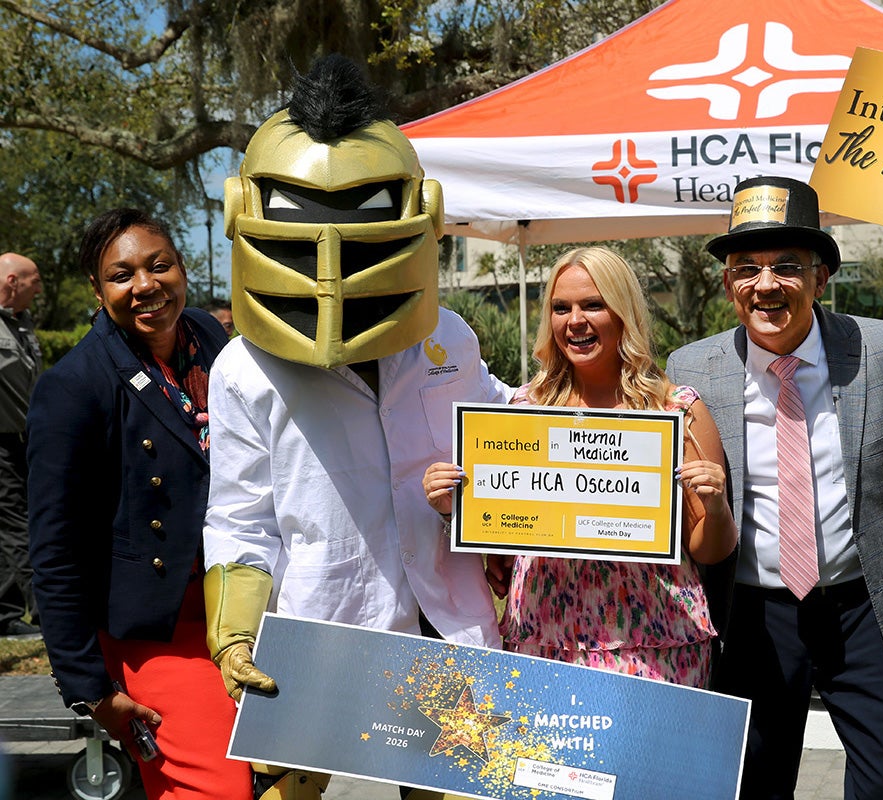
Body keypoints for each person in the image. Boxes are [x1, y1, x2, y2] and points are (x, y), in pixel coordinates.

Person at [201, 55, 506, 800]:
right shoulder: (243, 368)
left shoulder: (450, 338)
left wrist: (632, 417)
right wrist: (233, 632)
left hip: (445, 625)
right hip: (318, 635)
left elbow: (509, 423)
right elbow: (240, 517)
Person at [665, 176, 883, 799]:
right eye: (747, 268)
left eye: (787, 266)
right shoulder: (691, 369)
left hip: (864, 608)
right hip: (751, 616)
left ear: (821, 278)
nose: (765, 285)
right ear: (728, 284)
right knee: (755, 788)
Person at [425, 247, 738, 688]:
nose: (575, 320)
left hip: (654, 643)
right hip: (542, 639)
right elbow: (503, 548)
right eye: (561, 308)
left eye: (593, 304)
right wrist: (454, 509)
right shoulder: (523, 410)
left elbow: (709, 550)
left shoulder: (676, 411)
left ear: (624, 312)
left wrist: (717, 507)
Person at [26, 209, 250, 799]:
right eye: (121, 275)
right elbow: (53, 551)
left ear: (181, 268)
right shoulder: (73, 386)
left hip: (246, 608)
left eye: (159, 265)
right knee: (217, 788)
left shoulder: (209, 337)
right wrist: (91, 689)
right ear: (97, 291)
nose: (146, 285)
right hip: (159, 631)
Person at [0, 252, 42, 639]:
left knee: (21, 520)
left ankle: (7, 612)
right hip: (2, 441)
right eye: (34, 281)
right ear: (13, 281)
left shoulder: (21, 322)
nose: (39, 288)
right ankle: (38, 610)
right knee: (15, 522)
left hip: (25, 439)